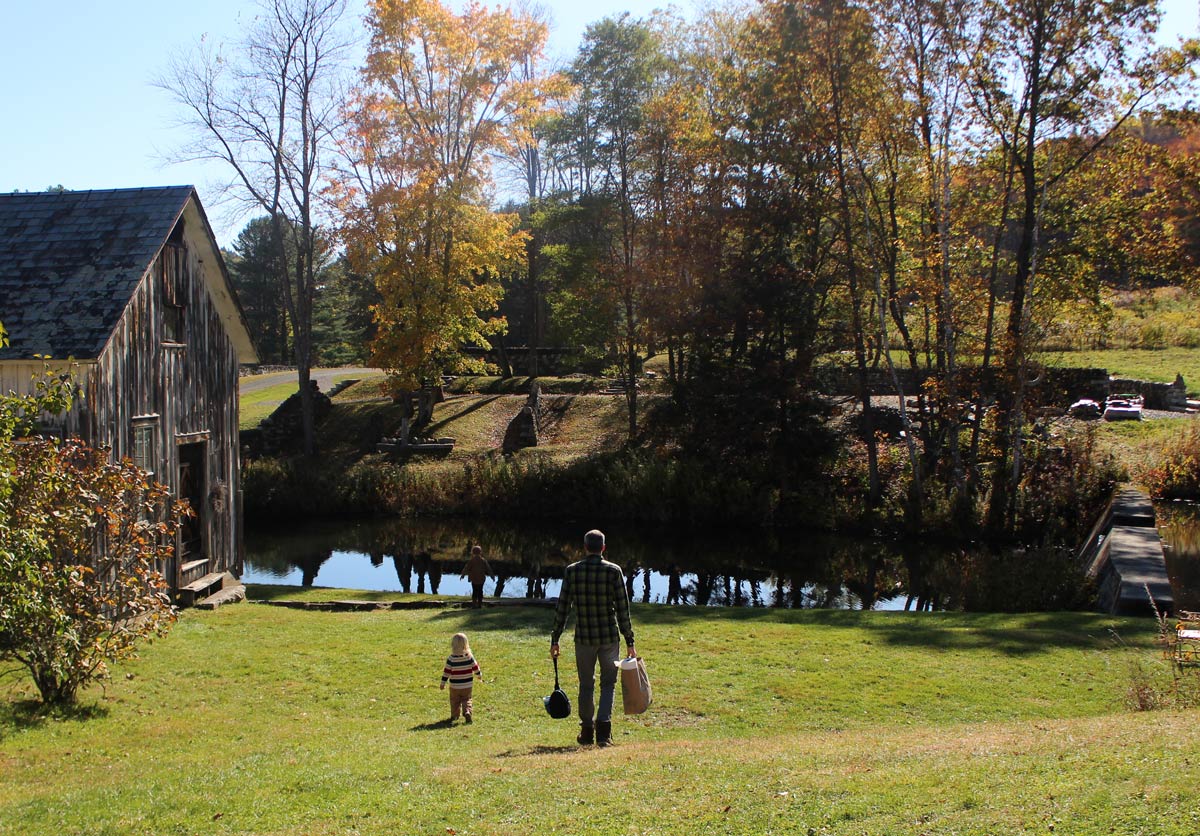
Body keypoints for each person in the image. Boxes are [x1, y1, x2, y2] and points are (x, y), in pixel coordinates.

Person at [550, 529, 636, 747]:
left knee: (586, 684)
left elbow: (563, 607)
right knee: (608, 684)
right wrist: (629, 640)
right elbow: (623, 609)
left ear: (585, 547)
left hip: (584, 637)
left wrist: (555, 638)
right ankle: (604, 732)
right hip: (608, 637)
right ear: (603, 548)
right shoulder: (614, 571)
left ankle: (587, 730)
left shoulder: (572, 571)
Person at [440, 632, 482, 723]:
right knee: (467, 699)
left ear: (452, 645)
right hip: (467, 685)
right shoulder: (469, 657)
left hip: (455, 686)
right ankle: (467, 711)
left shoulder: (451, 659)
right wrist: (479, 675)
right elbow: (475, 667)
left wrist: (443, 683)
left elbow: (446, 672)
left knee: (454, 701)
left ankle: (455, 715)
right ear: (466, 644)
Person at [462, 545, 491, 609]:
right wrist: (492, 576)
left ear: (473, 552)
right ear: (480, 552)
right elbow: (488, 568)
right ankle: (479, 604)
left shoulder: (472, 560)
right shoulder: (483, 560)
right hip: (481, 578)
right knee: (480, 590)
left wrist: (463, 575)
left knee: (475, 591)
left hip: (474, 578)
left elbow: (466, 568)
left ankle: (474, 605)